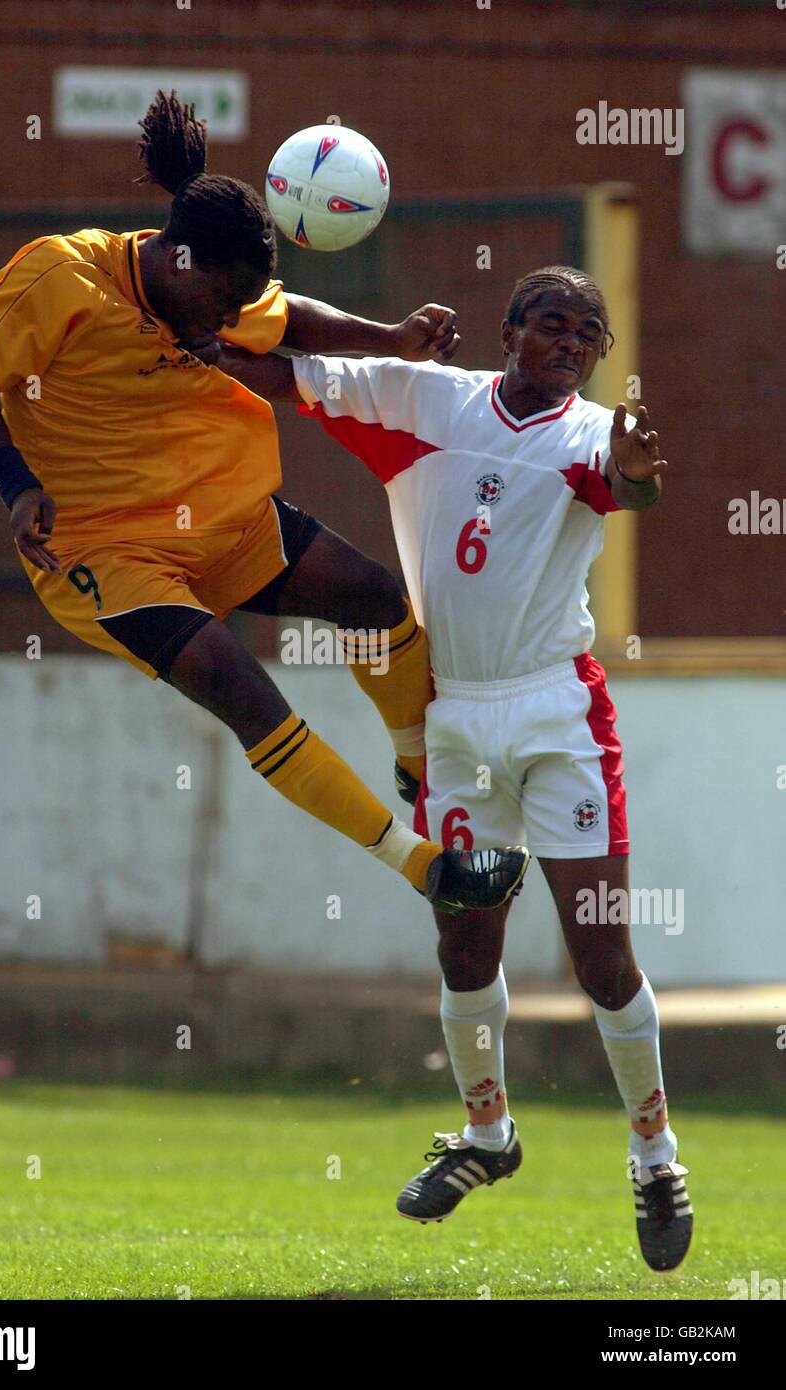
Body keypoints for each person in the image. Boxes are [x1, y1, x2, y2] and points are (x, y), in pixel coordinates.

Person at [201, 265, 693, 1272]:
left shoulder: (589, 436)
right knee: (464, 948)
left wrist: (641, 470)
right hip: (452, 720)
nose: (569, 344)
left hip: (557, 711)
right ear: (508, 331)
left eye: (586, 335)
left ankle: (653, 1154)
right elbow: (283, 375)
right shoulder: (424, 397)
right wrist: (188, 332)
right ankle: (485, 1137)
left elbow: (630, 484)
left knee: (601, 958)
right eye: (551, 324)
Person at [0, 91, 528, 918]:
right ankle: (425, 867)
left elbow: (290, 320)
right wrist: (15, 483)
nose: (228, 321)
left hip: (223, 517)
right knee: (245, 689)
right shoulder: (59, 277)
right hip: (103, 553)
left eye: (236, 305)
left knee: (377, 600)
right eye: (221, 302)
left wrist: (391, 339)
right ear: (178, 261)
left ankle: (412, 763)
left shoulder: (217, 285)